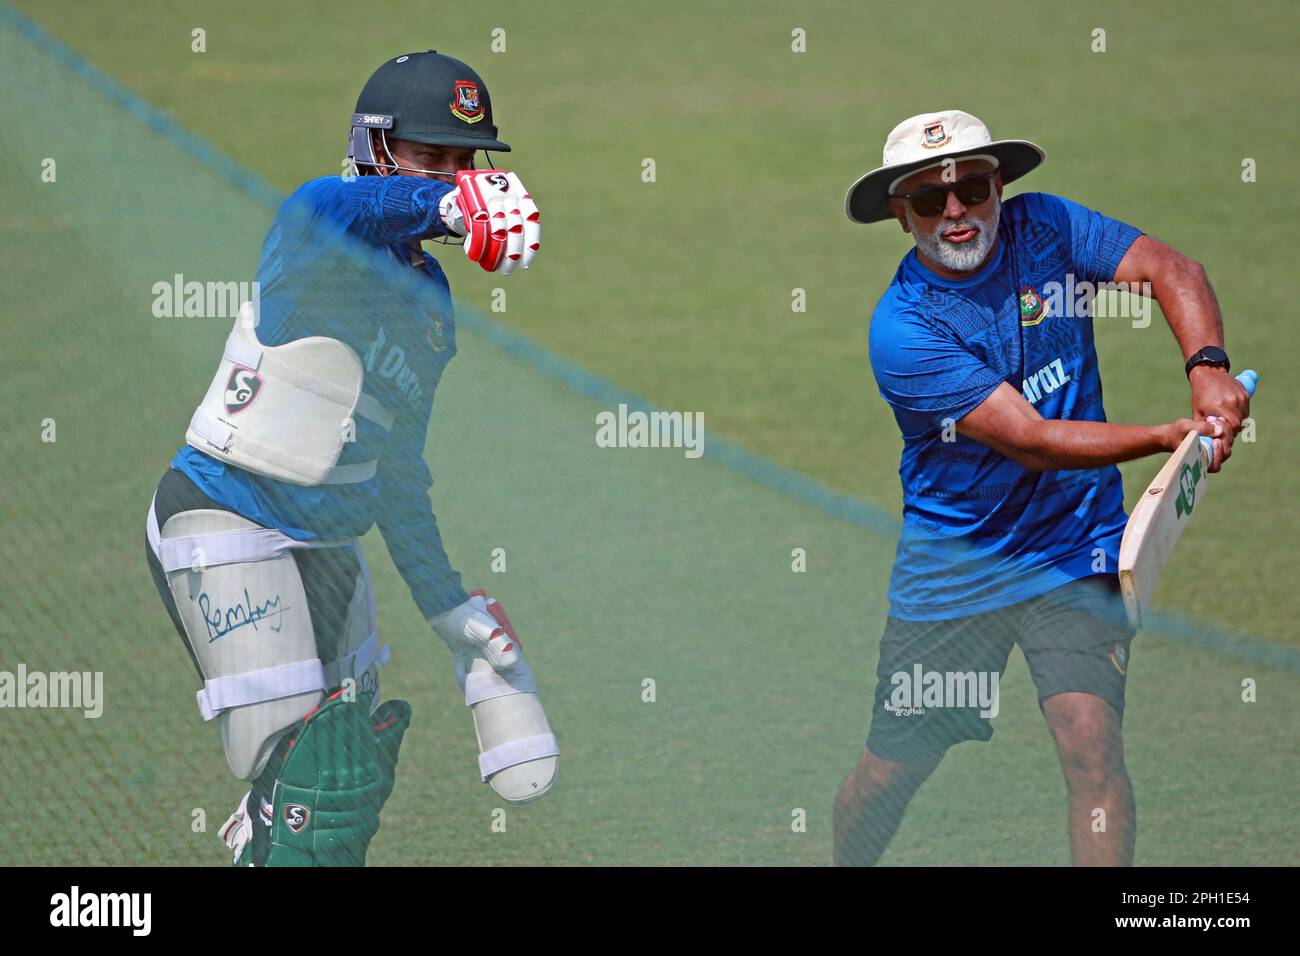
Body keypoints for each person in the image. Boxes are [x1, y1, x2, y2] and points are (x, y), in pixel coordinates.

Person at [144, 50, 558, 866]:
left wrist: (448, 608)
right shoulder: (320, 221)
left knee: (346, 790)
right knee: (310, 786)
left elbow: (398, 471)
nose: (458, 174)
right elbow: (343, 203)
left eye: (465, 160)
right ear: (373, 147)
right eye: (429, 155)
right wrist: (443, 200)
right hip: (227, 514)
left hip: (335, 545)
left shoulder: (429, 302)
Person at [834, 110, 1252, 866]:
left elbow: (1172, 270)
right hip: (956, 574)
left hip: (1074, 546)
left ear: (1001, 186)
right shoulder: (902, 329)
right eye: (930, 200)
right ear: (902, 216)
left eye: (972, 188)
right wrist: (1167, 437)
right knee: (890, 774)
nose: (956, 212)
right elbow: (1032, 441)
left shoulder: (1050, 228)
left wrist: (1208, 366)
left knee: (1092, 752)